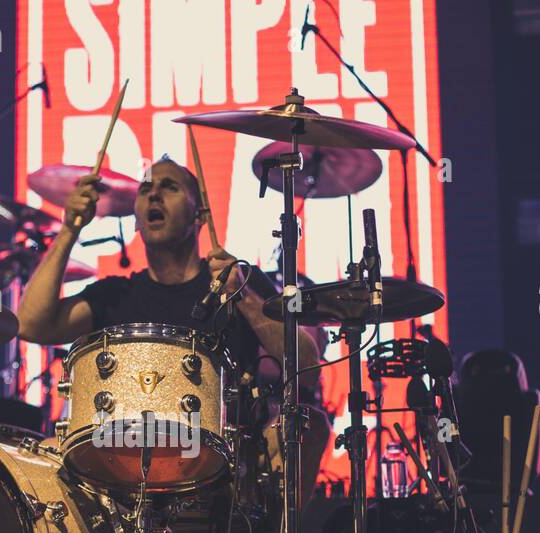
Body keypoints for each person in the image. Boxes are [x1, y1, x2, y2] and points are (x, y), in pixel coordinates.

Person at [17, 157, 331, 506]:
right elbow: (31, 324)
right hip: (122, 459)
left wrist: (244, 300)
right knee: (41, 455)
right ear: (135, 219)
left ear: (200, 216)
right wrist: (69, 230)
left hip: (224, 466)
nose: (154, 197)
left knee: (308, 426)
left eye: (169, 187)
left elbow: (307, 363)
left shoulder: (238, 282)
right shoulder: (115, 295)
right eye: (146, 190)